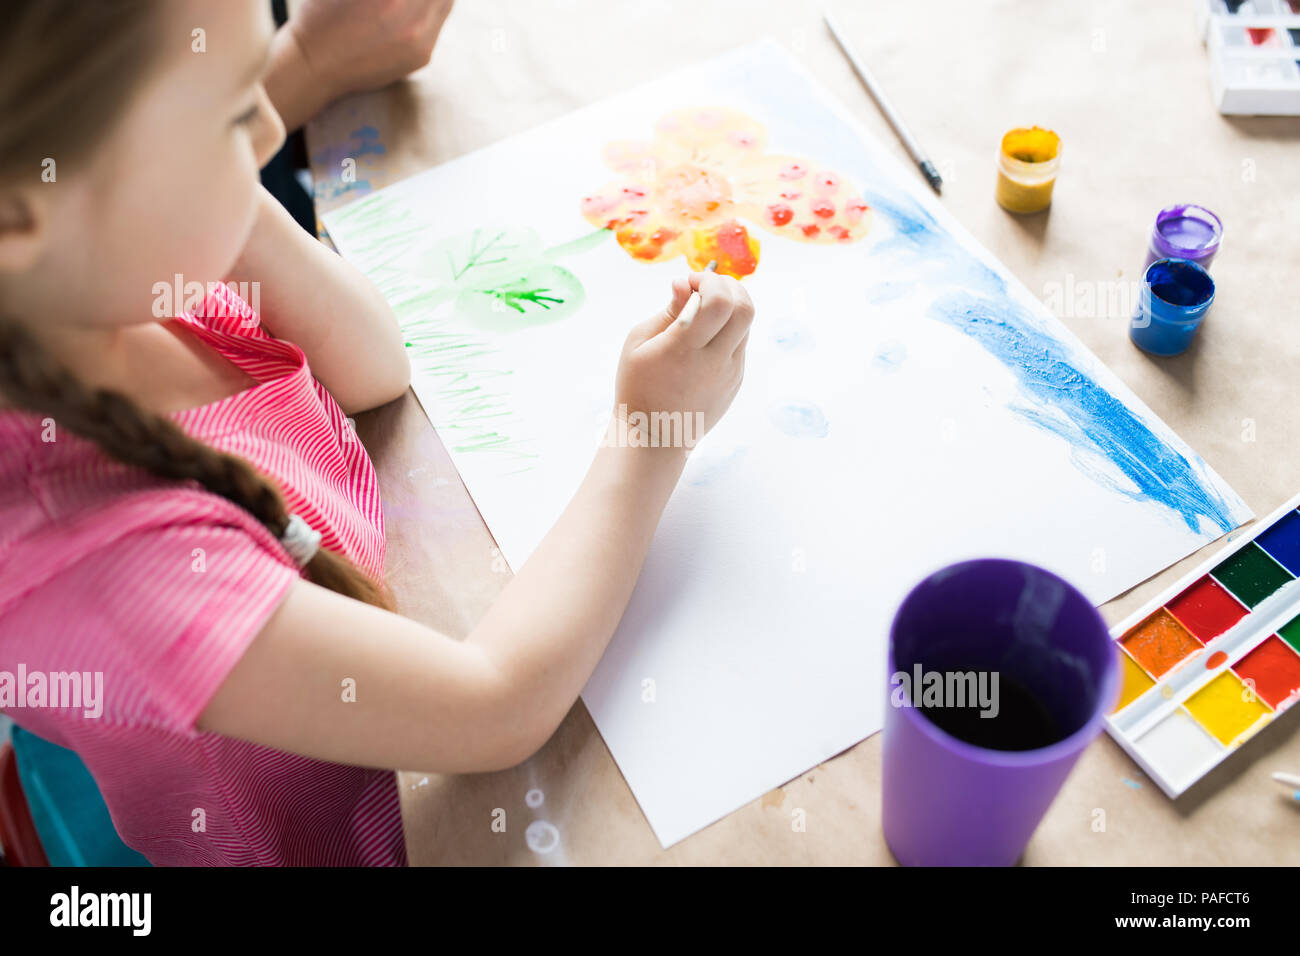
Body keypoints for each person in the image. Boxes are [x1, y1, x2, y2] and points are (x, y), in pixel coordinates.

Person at [0, 0, 752, 865]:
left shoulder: (111, 283)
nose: (275, 127)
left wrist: (221, 194)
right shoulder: (110, 565)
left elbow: (373, 367)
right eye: (237, 110)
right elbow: (494, 705)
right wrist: (650, 436)